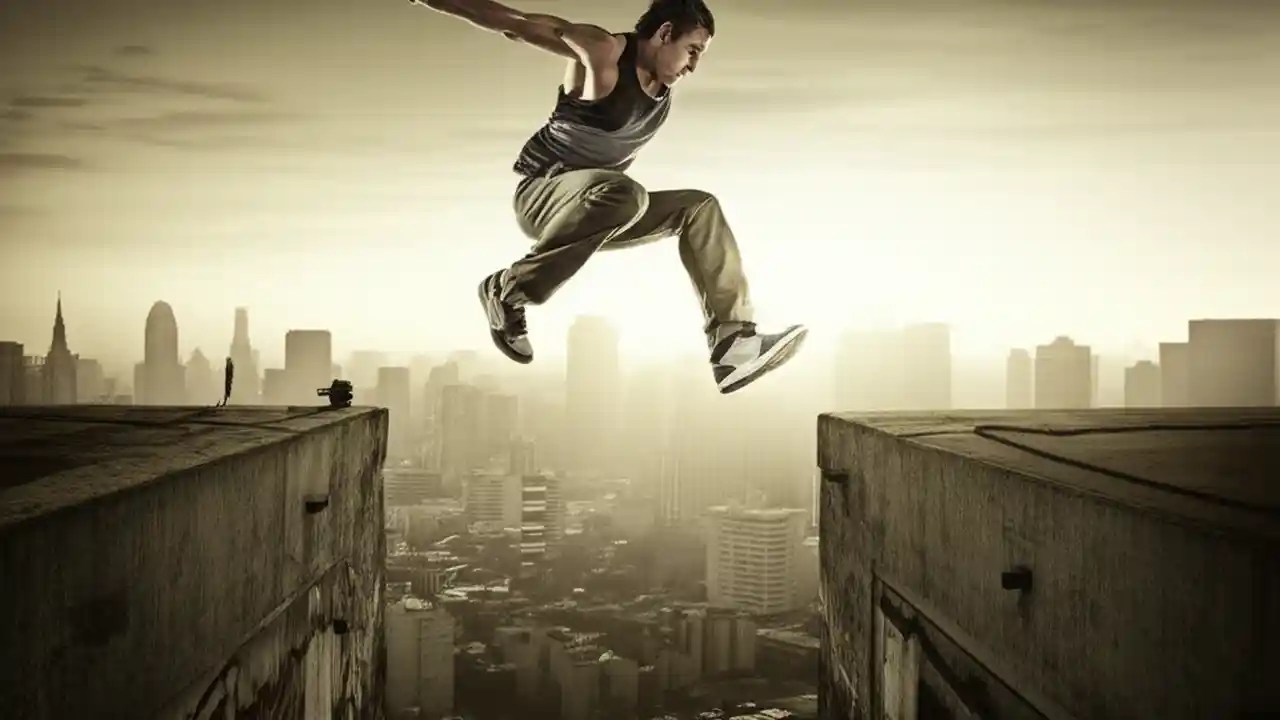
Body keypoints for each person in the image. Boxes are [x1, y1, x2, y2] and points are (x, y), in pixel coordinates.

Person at [412, 0, 807, 394]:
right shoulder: (601, 52)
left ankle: (732, 342)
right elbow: (513, 23)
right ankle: (508, 290)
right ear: (665, 33)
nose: (693, 67)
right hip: (543, 195)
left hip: (600, 211)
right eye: (692, 51)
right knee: (627, 194)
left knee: (698, 206)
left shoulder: (661, 87)